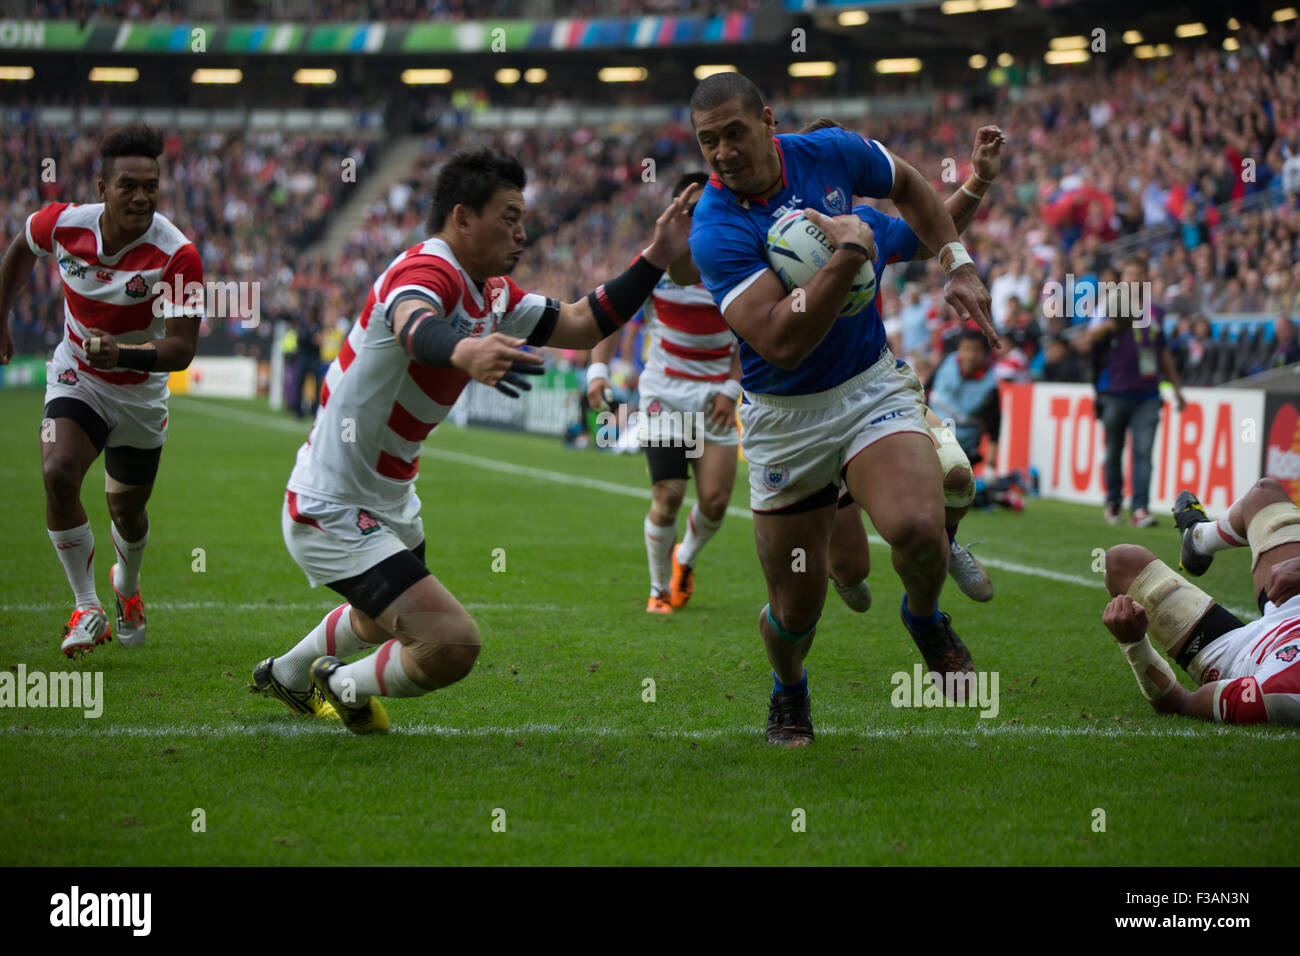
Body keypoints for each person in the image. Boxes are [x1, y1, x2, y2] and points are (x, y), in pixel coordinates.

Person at [250, 146, 698, 734]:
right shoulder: (426, 269)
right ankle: (344, 684)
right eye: (509, 216)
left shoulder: (493, 294)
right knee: (451, 645)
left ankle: (291, 674)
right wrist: (464, 350)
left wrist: (656, 257)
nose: (523, 231)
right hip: (332, 505)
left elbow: (585, 321)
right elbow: (415, 323)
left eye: (522, 217)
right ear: (462, 218)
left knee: (379, 618)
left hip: (389, 501)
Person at [686, 73, 997, 746]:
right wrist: (851, 251)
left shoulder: (830, 153)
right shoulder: (714, 228)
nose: (722, 152)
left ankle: (923, 616)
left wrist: (957, 261)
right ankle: (789, 689)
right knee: (799, 607)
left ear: (766, 120)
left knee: (918, 528)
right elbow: (780, 341)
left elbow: (911, 188)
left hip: (866, 389)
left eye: (734, 133)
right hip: (783, 418)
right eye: (707, 141)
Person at [0, 122, 203, 657]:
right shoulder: (63, 225)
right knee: (57, 473)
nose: (141, 197)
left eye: (151, 187)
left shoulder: (177, 254)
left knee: (127, 514)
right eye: (127, 185)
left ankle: (126, 589)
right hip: (77, 374)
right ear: (101, 189)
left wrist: (124, 352)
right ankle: (87, 606)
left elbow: (181, 348)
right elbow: (23, 244)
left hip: (140, 391)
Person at [809, 119, 1006, 611]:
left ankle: (948, 541)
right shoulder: (777, 238)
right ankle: (843, 568)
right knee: (853, 572)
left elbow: (927, 233)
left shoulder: (868, 224)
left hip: (877, 388)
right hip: (807, 410)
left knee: (958, 476)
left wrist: (978, 178)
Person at [586, 172, 742, 614]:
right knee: (669, 495)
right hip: (664, 393)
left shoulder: (737, 262)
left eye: (694, 210)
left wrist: (731, 388)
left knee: (714, 501)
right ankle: (658, 590)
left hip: (716, 395)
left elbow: (751, 337)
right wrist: (597, 371)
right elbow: (612, 315)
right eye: (678, 208)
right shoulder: (653, 264)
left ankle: (684, 559)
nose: (683, 218)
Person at [1099, 481, 1300, 725]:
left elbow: (1180, 703)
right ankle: (1197, 540)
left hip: (1239, 653)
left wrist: (1134, 644)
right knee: (1264, 493)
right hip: (1292, 609)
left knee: (1121, 562)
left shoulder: (1278, 693)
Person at [1088, 256, 1186, 528]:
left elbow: (1162, 352)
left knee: (1143, 452)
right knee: (1114, 451)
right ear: (1123, 280)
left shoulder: (1157, 312)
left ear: (1147, 279)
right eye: (1130, 274)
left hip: (1148, 394)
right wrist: (1114, 323)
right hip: (1114, 391)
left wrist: (1177, 389)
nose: (1135, 279)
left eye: (1140, 274)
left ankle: (1140, 509)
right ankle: (1113, 502)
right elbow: (1088, 339)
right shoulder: (1108, 306)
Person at [929, 328, 1001, 470]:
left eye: (976, 350)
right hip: (928, 438)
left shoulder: (990, 387)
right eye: (966, 349)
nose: (970, 356)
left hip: (961, 452)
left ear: (986, 355)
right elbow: (923, 392)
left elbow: (994, 430)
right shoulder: (946, 364)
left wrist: (990, 466)